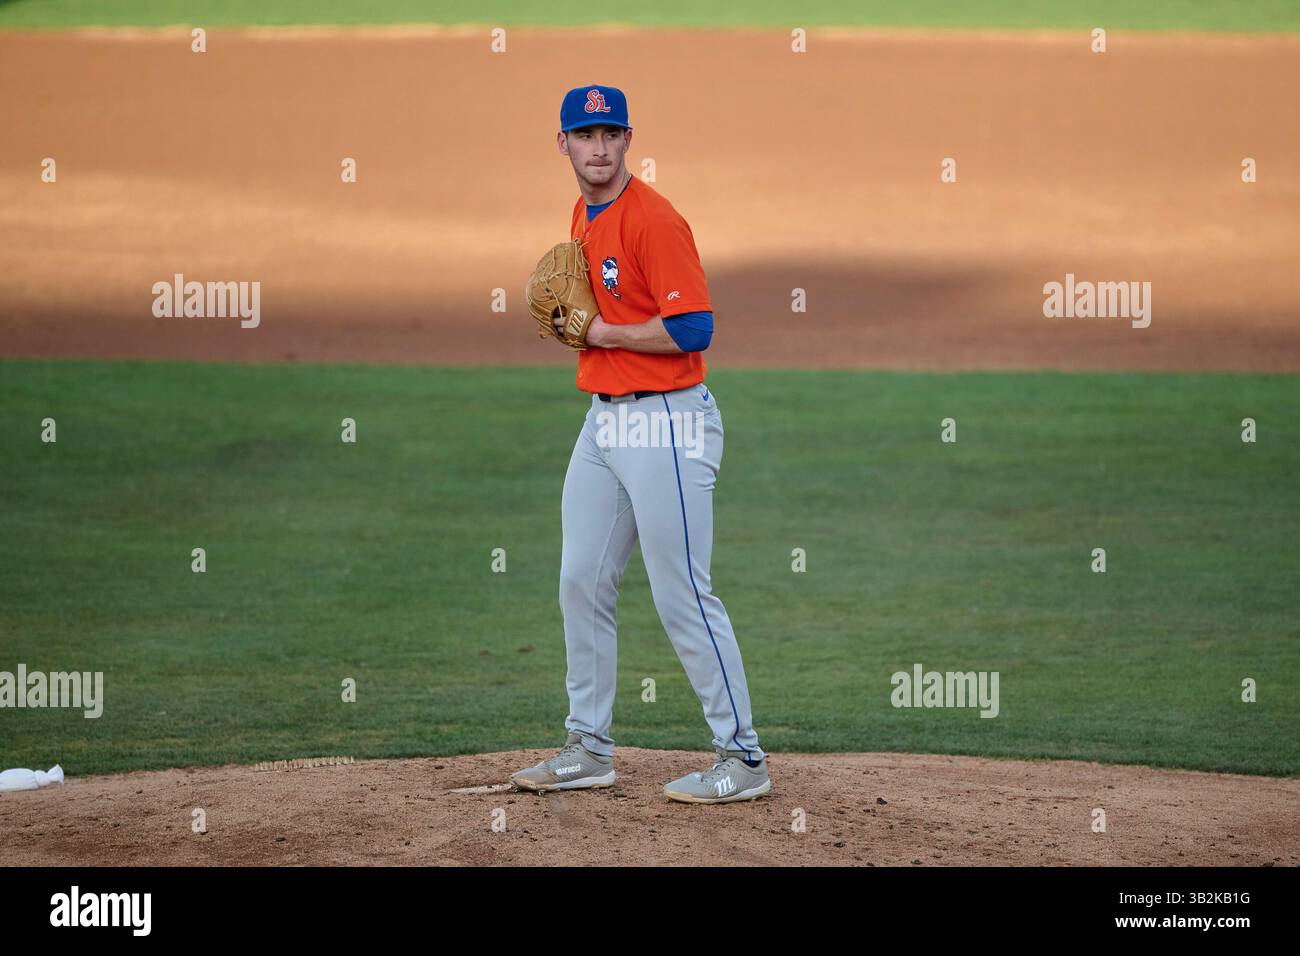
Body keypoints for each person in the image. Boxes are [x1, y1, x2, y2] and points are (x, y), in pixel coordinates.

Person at [510, 85, 770, 804]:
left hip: (669, 422)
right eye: (585, 134)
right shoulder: (584, 212)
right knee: (579, 580)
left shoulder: (655, 221)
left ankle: (743, 757)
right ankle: (588, 747)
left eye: (611, 133)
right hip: (605, 422)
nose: (599, 147)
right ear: (563, 143)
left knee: (682, 591)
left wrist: (602, 334)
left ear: (628, 140)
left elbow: (693, 331)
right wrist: (601, 344)